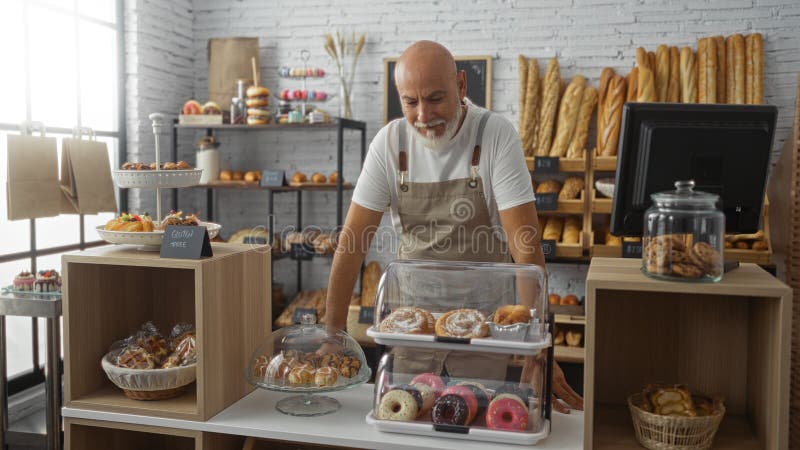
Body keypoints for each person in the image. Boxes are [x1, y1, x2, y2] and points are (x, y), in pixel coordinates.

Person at [323, 40, 583, 413]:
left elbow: (525, 249)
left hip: (481, 329)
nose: (424, 115)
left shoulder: (494, 135)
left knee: (472, 422)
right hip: (411, 328)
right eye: (411, 102)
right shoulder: (389, 144)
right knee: (408, 422)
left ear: (462, 86)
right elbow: (352, 245)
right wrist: (333, 334)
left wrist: (537, 347)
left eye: (435, 98)